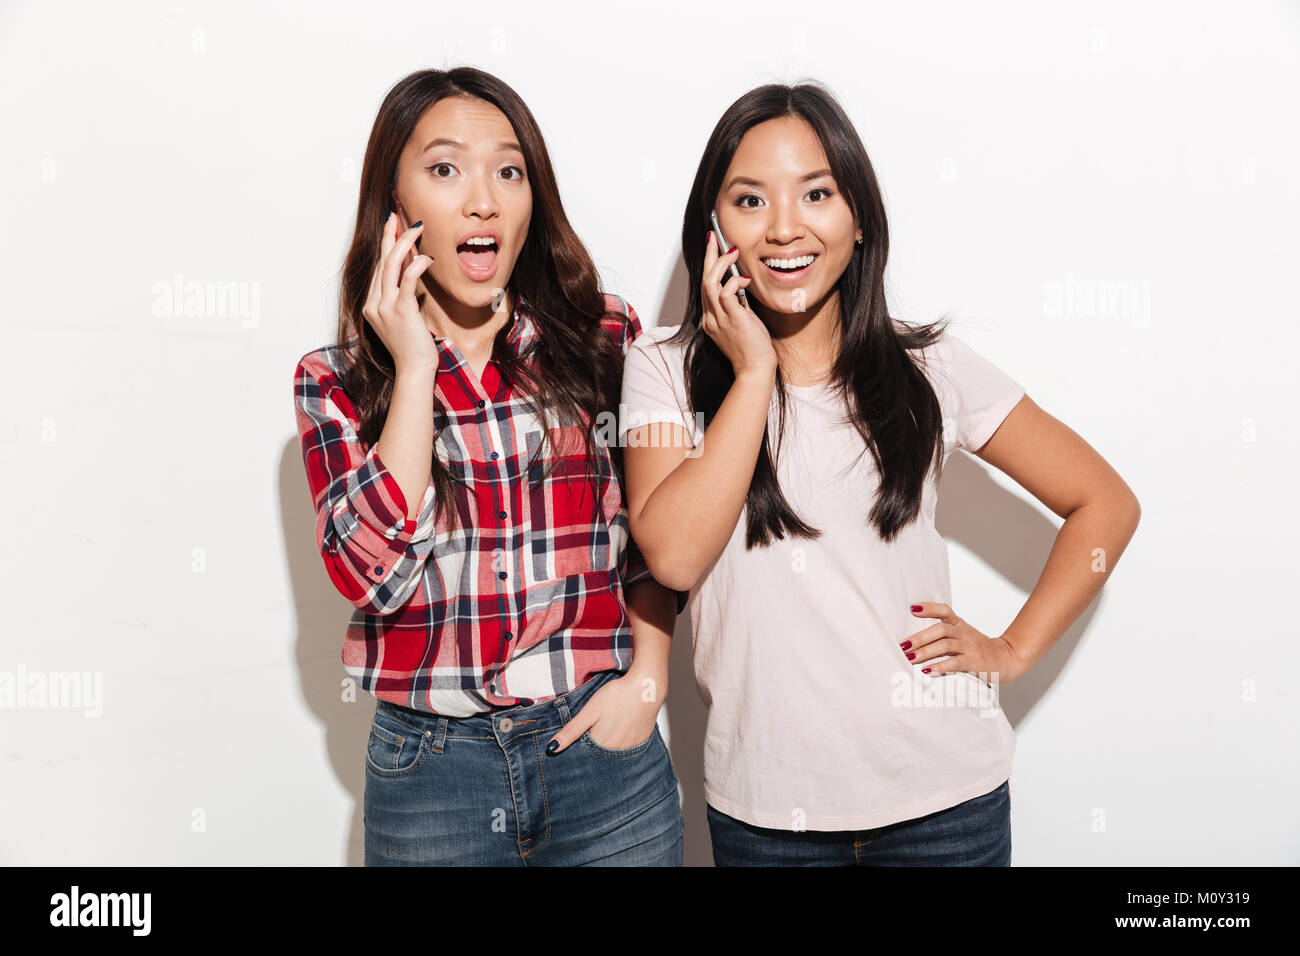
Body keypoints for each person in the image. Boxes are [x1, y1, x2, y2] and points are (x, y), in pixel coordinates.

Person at [620, 81, 1141, 866]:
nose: (786, 228)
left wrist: (1010, 650)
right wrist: (755, 374)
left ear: (859, 219)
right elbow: (675, 556)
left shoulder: (928, 368)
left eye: (817, 193)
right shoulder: (661, 368)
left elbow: (1105, 501)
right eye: (750, 200)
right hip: (766, 819)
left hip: (946, 807)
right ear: (714, 227)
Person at [292, 67, 687, 866]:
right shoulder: (334, 380)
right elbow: (374, 579)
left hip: (600, 760)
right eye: (445, 170)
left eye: (509, 170)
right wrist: (413, 370)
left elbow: (656, 538)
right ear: (395, 207)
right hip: (432, 778)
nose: (483, 200)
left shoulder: (604, 337)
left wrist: (648, 680)